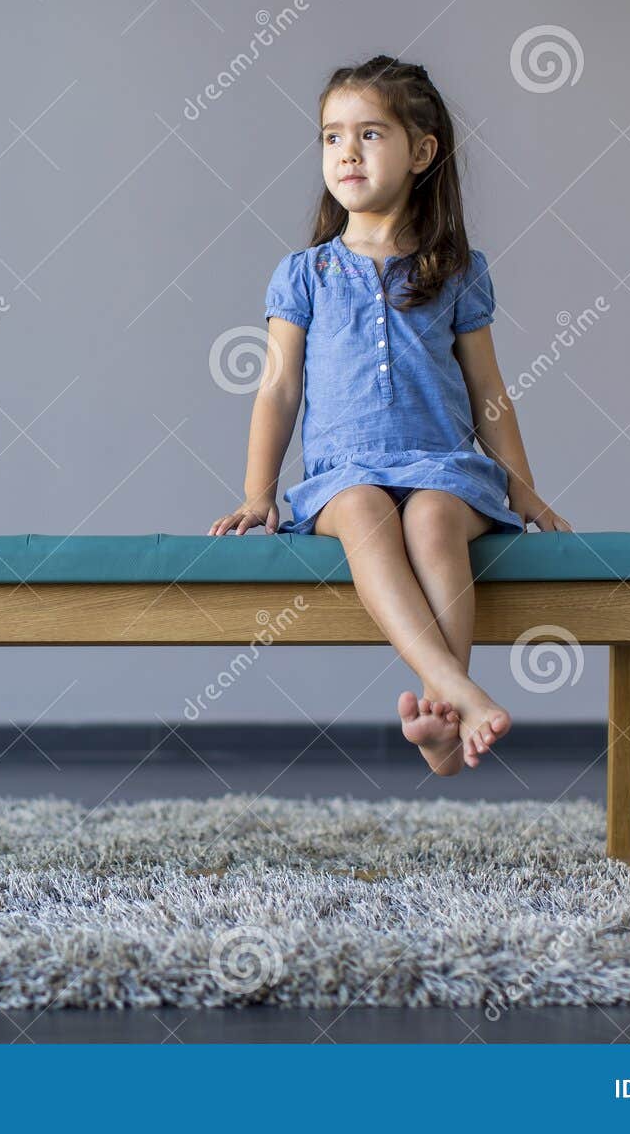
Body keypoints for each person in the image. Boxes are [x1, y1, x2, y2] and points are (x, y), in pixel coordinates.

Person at [208, 55, 572, 776]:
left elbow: (488, 390)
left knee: (433, 519)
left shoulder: (455, 270)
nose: (346, 151)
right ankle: (457, 696)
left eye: (370, 134)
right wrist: (257, 492)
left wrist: (524, 489)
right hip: (342, 475)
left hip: (445, 467)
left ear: (421, 152)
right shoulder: (305, 274)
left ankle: (443, 719)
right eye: (332, 136)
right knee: (365, 512)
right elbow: (277, 390)